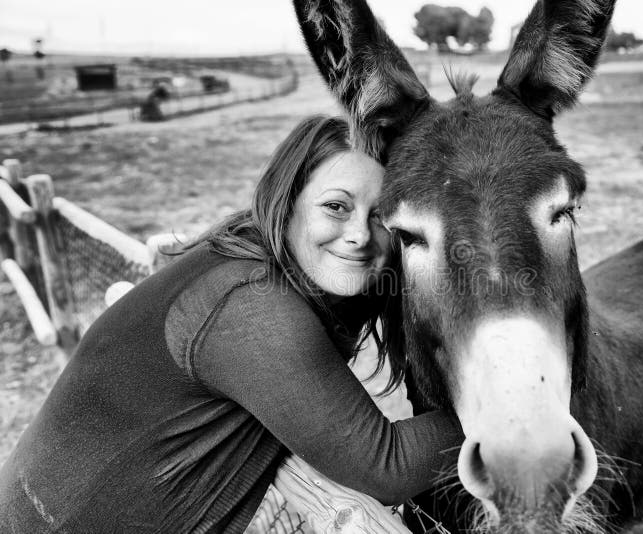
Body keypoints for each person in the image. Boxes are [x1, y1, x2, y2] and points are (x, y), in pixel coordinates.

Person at [0, 115, 463, 532]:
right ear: (290, 199)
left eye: (381, 217)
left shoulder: (243, 254)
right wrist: (515, 403)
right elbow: (388, 466)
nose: (361, 234)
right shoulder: (250, 305)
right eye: (336, 207)